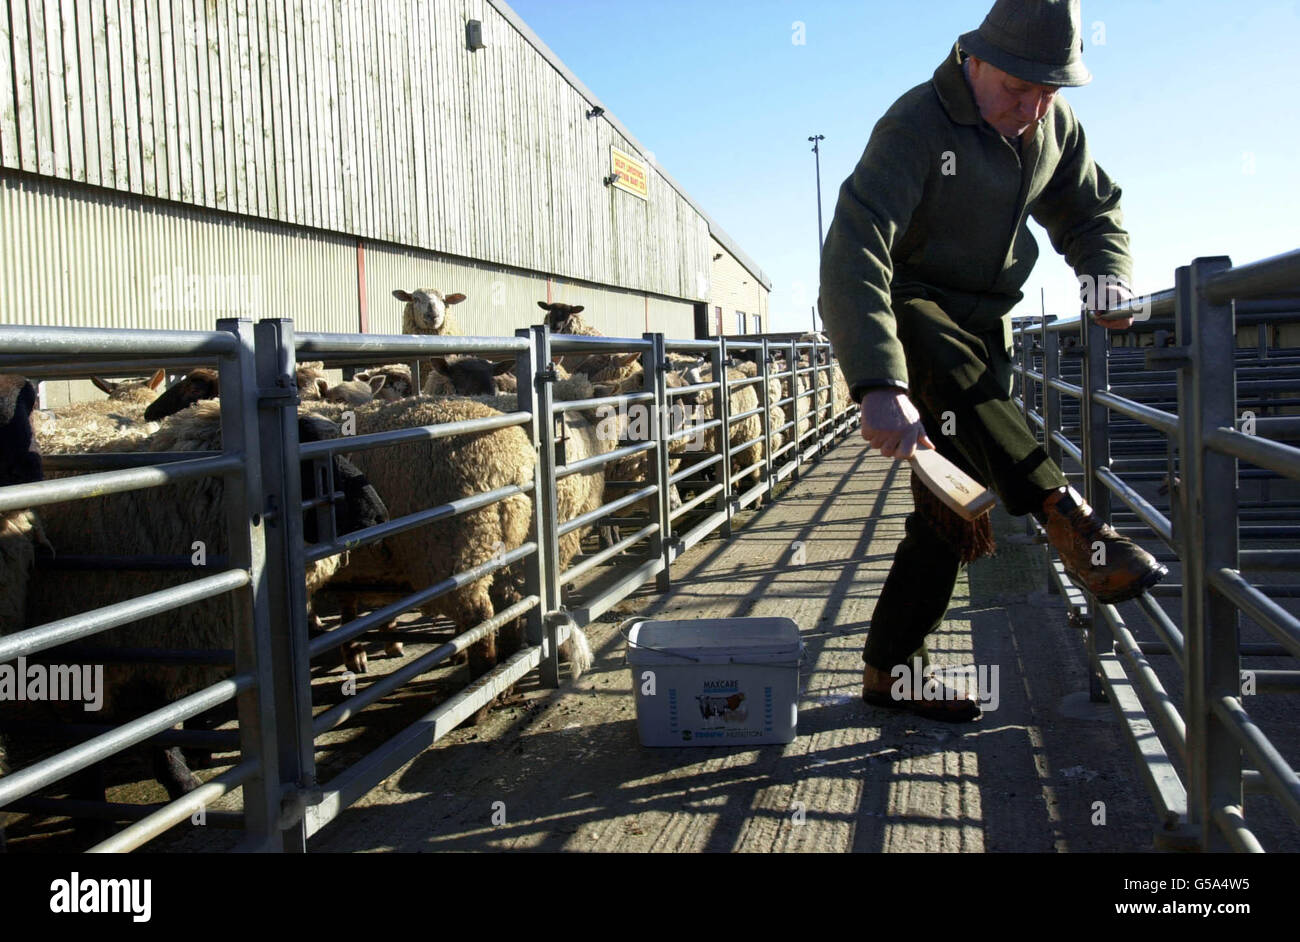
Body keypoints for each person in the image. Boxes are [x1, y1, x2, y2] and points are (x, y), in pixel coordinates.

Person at [818, 0, 1167, 722]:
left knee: (952, 514)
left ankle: (890, 671)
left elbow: (1091, 210)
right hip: (910, 310)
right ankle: (1064, 514)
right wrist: (878, 383)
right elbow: (856, 244)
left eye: (1050, 92)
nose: (1033, 109)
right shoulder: (917, 124)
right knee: (938, 345)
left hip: (986, 331)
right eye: (1018, 89)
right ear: (973, 60)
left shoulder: (1051, 127)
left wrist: (1105, 273)